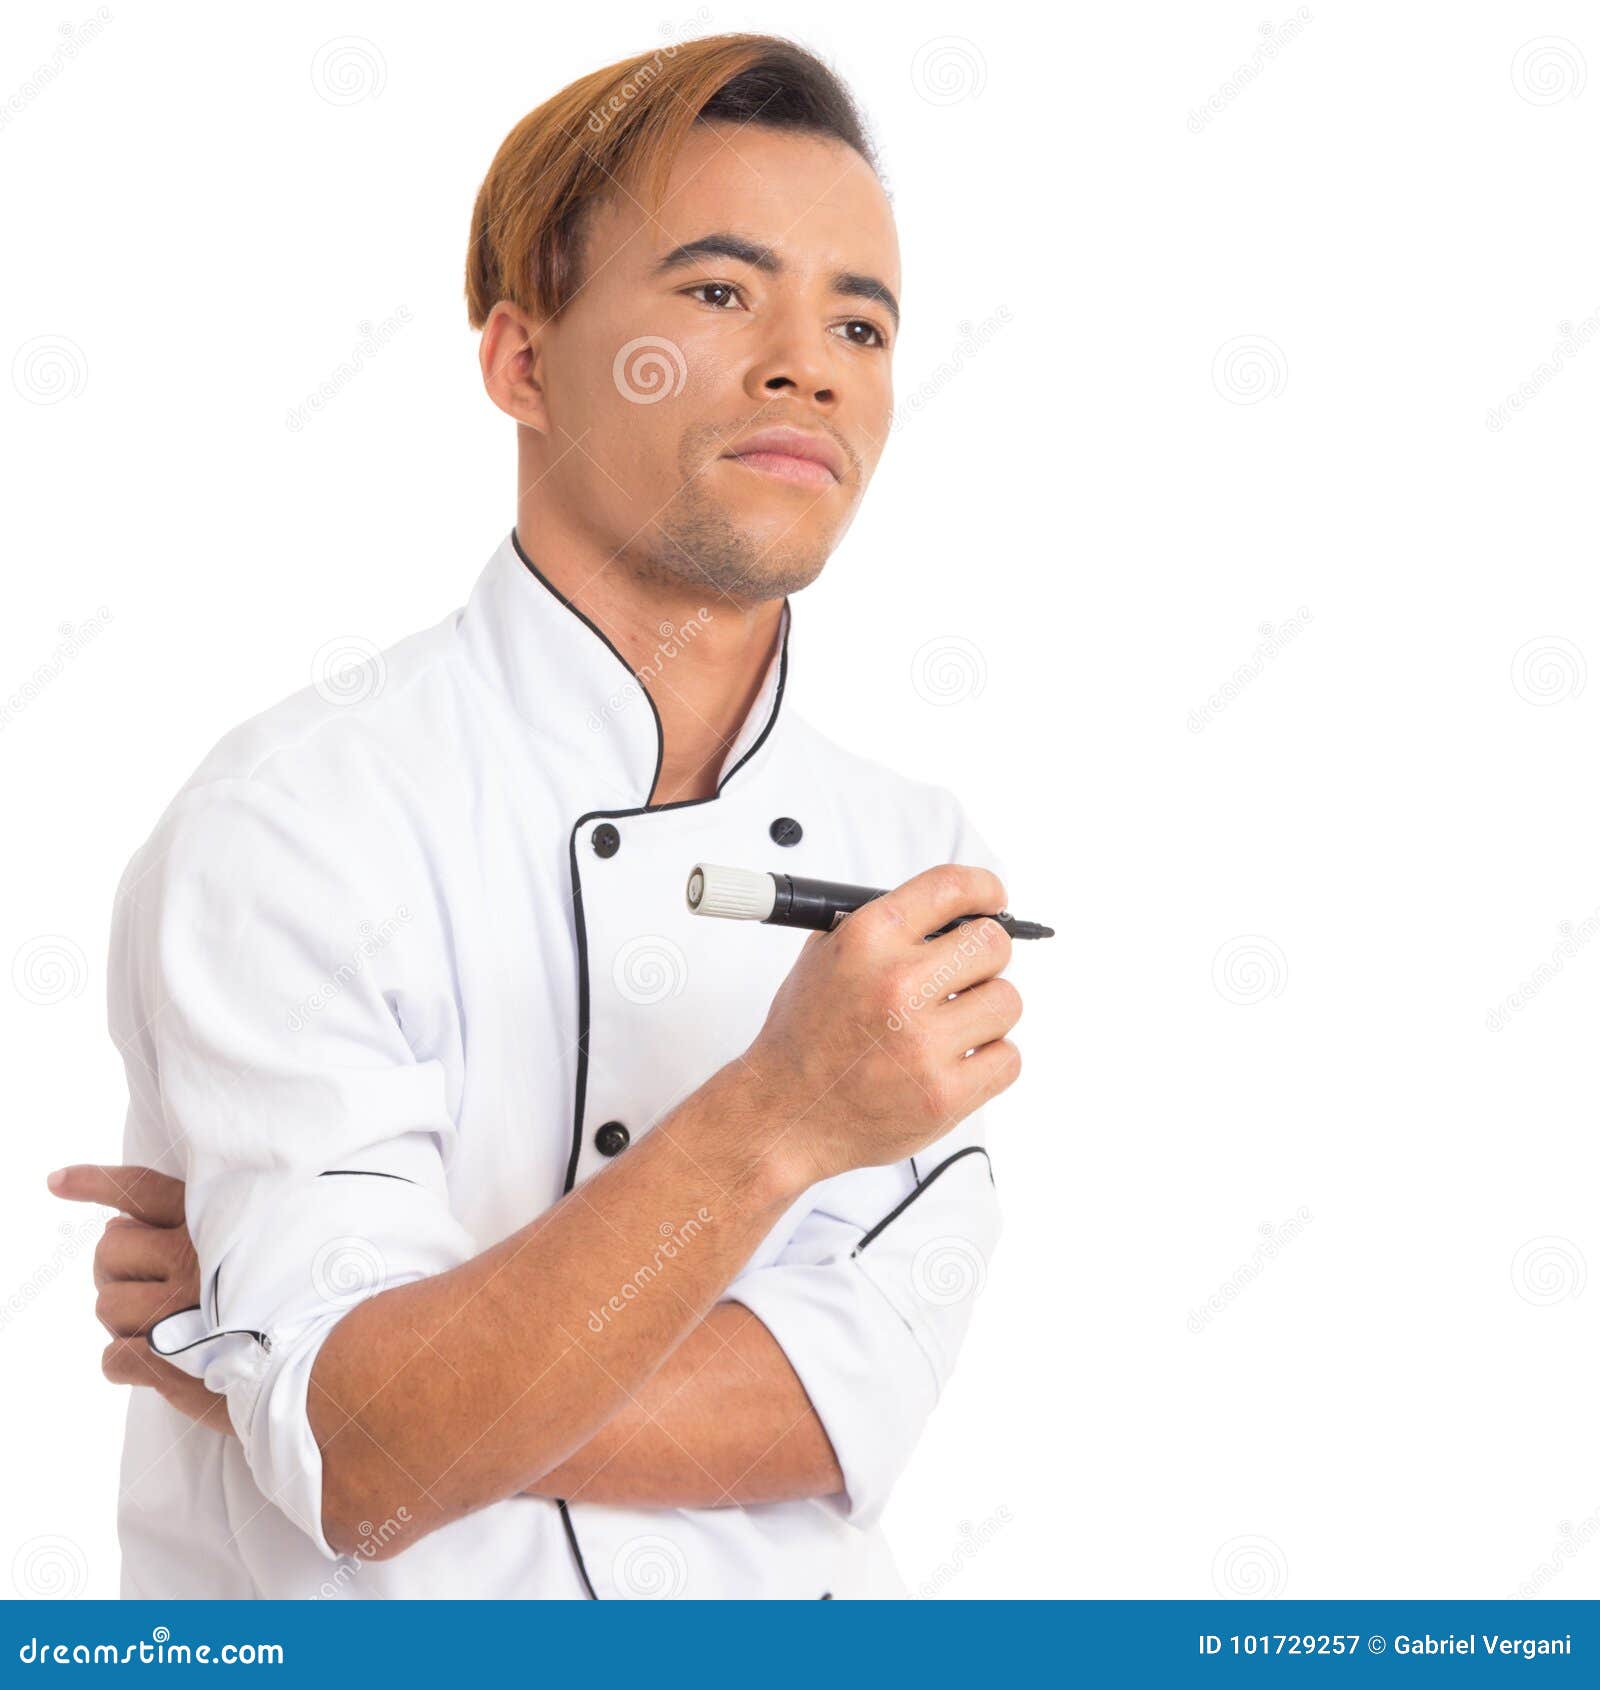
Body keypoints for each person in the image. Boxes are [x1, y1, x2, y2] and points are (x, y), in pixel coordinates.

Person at [48, 32, 1025, 1599]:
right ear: (521, 362)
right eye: (719, 292)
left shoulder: (910, 851)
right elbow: (371, 1473)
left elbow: (847, 1399)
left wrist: (293, 1371)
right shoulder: (295, 823)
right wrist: (782, 1111)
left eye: (862, 319)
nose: (810, 362)